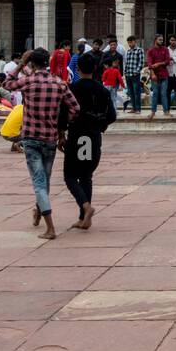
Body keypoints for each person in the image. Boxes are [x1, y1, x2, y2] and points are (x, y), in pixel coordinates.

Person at [3, 48, 80, 241]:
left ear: (31, 63)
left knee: (39, 183)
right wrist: (62, 127)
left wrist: (21, 63)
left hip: (31, 138)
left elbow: (7, 84)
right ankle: (39, 210)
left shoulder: (28, 81)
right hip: (50, 138)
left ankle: (50, 227)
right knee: (44, 180)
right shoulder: (58, 82)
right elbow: (75, 108)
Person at [62, 52, 116, 229]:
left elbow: (63, 113)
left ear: (77, 69)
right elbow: (111, 115)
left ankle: (85, 207)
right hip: (93, 136)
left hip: (77, 135)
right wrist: (101, 125)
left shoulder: (72, 89)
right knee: (86, 176)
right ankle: (84, 218)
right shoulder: (102, 90)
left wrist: (61, 132)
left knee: (70, 176)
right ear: (95, 68)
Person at [146, 34, 171, 118]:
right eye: (160, 40)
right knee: (155, 94)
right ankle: (153, 112)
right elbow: (149, 64)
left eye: (162, 40)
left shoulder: (165, 49)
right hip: (155, 76)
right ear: (155, 40)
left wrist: (158, 64)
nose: (161, 41)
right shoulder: (150, 51)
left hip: (164, 75)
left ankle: (166, 111)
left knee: (164, 93)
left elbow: (167, 61)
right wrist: (152, 74)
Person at [123, 36, 144, 113]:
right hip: (128, 74)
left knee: (136, 92)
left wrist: (136, 71)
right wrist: (125, 72)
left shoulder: (139, 50)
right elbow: (127, 63)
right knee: (130, 92)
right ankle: (133, 108)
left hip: (135, 75)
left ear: (135, 41)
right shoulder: (128, 51)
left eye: (131, 42)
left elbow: (141, 63)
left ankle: (138, 109)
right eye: (128, 42)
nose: (130, 44)